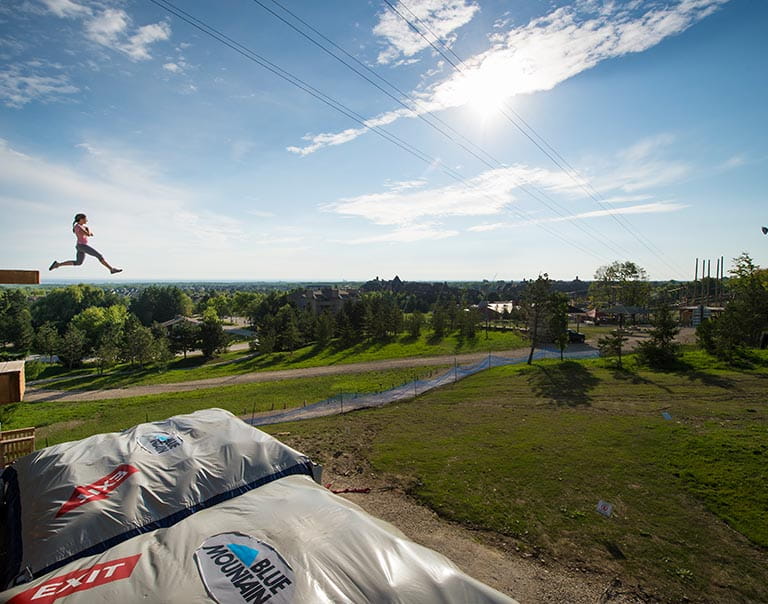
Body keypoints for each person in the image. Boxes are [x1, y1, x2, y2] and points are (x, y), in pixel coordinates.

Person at [49, 213, 122, 274]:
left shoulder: (79, 226)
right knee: (99, 256)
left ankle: (58, 264)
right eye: (85, 219)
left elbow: (85, 234)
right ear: (81, 219)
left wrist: (87, 231)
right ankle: (111, 269)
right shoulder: (78, 226)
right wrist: (88, 230)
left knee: (78, 262)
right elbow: (88, 234)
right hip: (82, 246)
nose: (86, 220)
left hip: (80, 246)